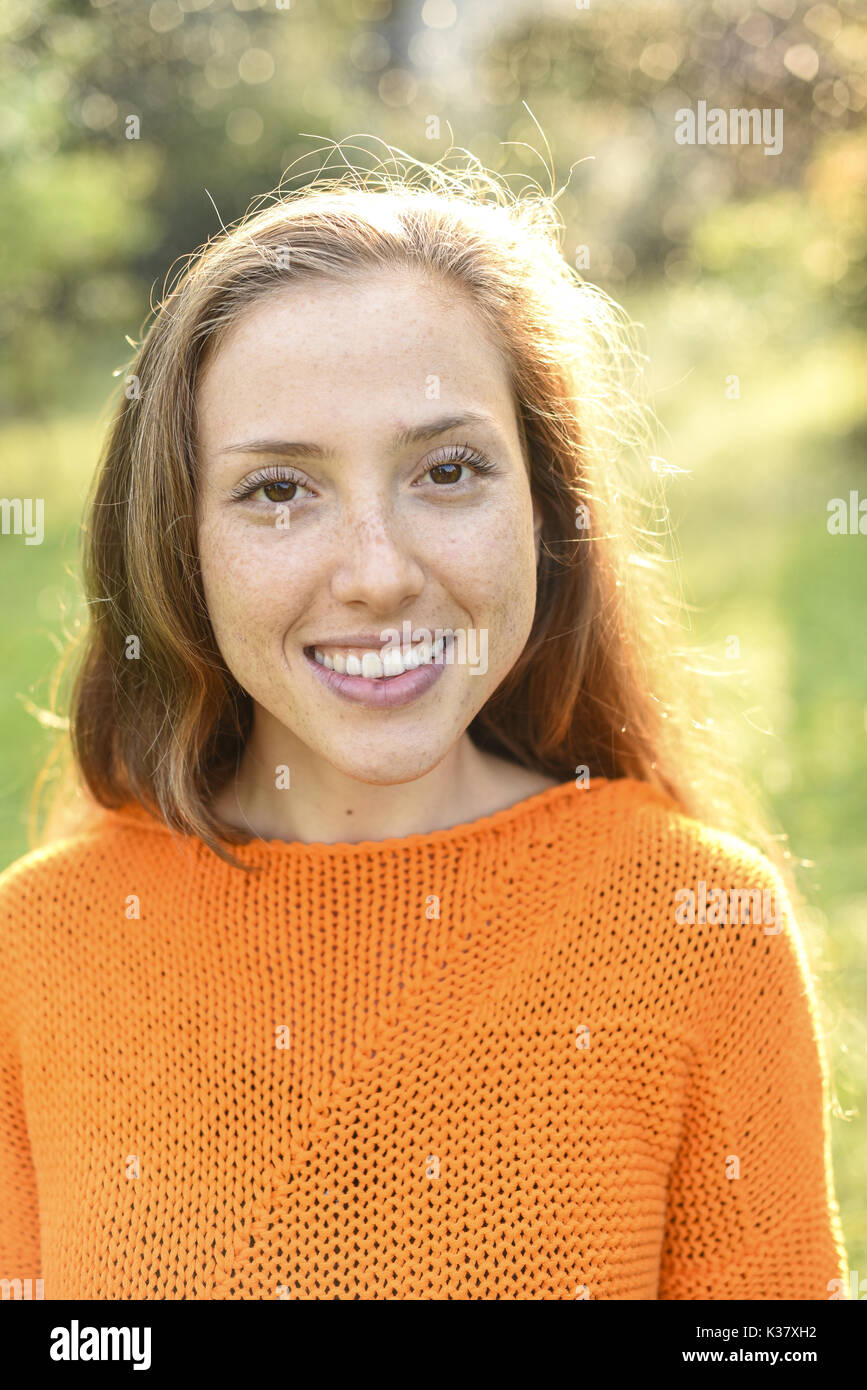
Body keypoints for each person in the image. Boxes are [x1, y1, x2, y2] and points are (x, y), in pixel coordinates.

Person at [0, 151, 849, 1299]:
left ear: (545, 507)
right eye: (279, 490)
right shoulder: (37, 948)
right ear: (177, 544)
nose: (378, 574)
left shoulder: (697, 925)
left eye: (447, 471)